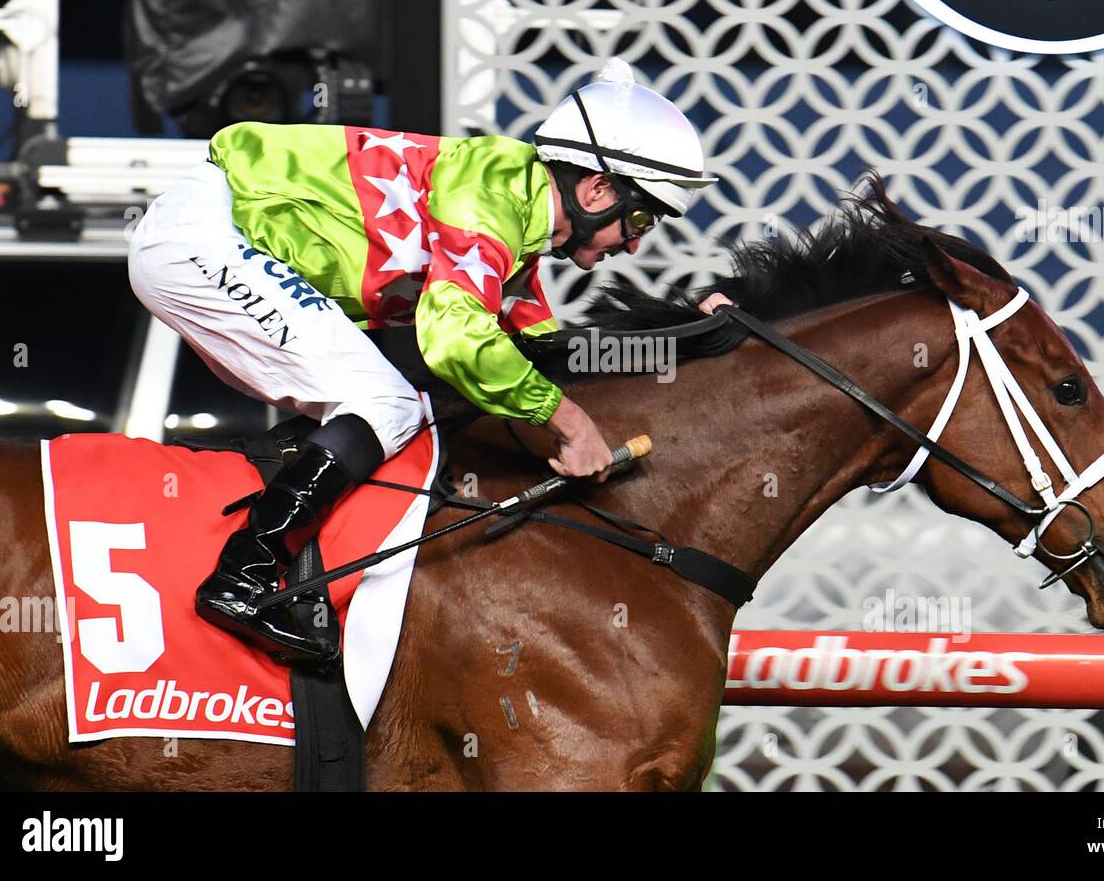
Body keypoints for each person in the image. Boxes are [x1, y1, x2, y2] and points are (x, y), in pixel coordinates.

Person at [127, 57, 729, 664]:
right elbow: (455, 340)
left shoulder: (515, 223)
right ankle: (242, 578)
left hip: (217, 238)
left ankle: (294, 568)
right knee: (386, 402)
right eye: (640, 217)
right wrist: (571, 424)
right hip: (204, 237)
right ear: (596, 190)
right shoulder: (490, 194)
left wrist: (686, 335)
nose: (634, 243)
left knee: (386, 405)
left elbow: (547, 358)